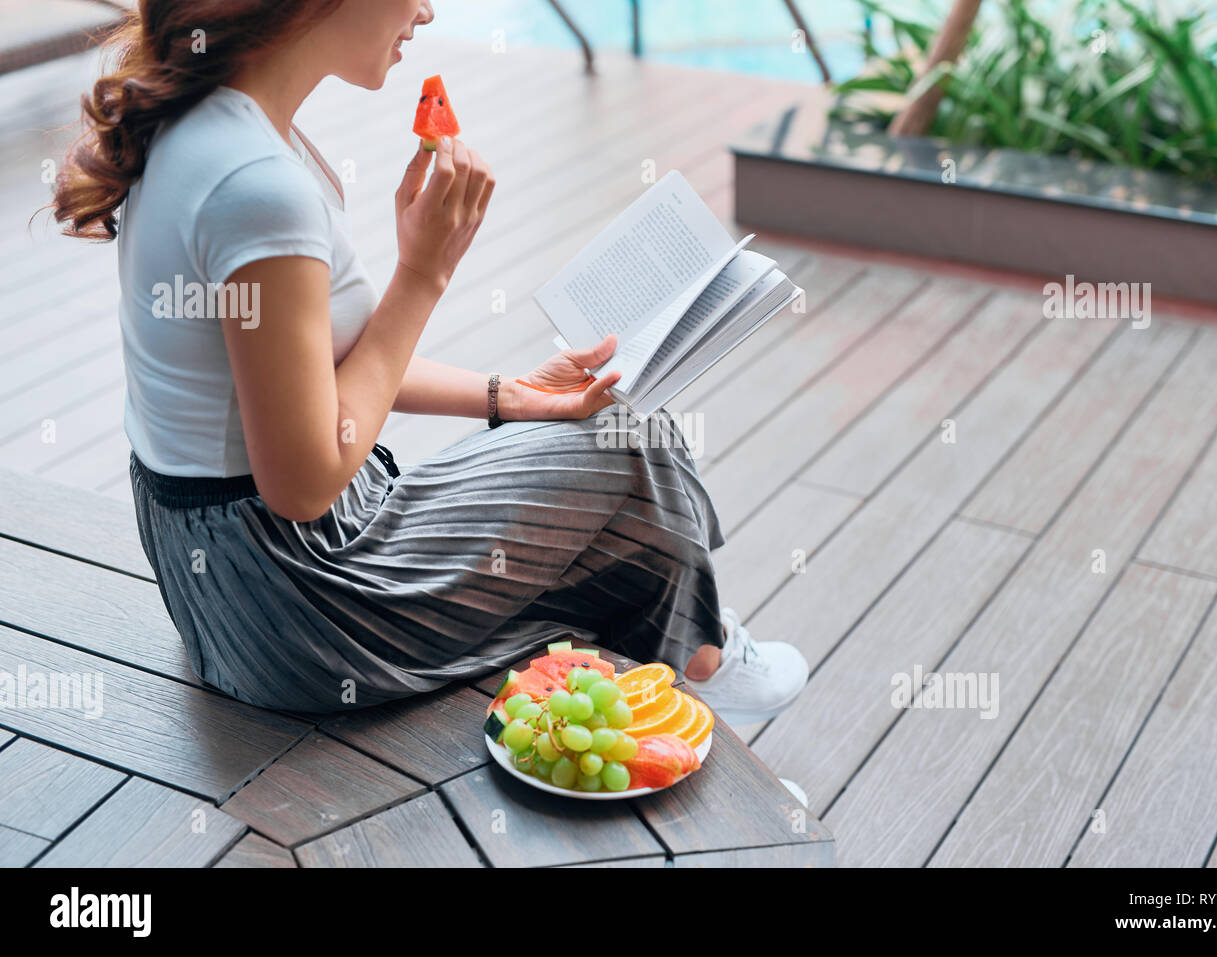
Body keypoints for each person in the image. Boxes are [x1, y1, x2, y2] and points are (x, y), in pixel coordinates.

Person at [49, 0, 808, 724]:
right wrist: (424, 276)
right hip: (293, 603)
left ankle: (681, 672)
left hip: (227, 572)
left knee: (601, 443)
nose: (428, 13)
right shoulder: (255, 186)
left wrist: (511, 395)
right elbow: (305, 481)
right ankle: (702, 664)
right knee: (628, 448)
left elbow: (312, 371)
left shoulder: (219, 124)